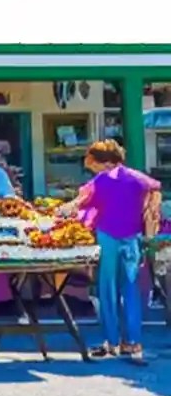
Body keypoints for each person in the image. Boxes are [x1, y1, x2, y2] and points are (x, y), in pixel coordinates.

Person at [57, 139, 160, 363]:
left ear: (103, 162)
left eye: (92, 163)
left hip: (108, 238)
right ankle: (134, 343)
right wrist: (150, 230)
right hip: (132, 239)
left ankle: (111, 341)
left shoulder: (102, 180)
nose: (90, 168)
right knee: (131, 290)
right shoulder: (138, 178)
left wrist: (59, 210)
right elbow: (154, 195)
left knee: (107, 291)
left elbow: (78, 203)